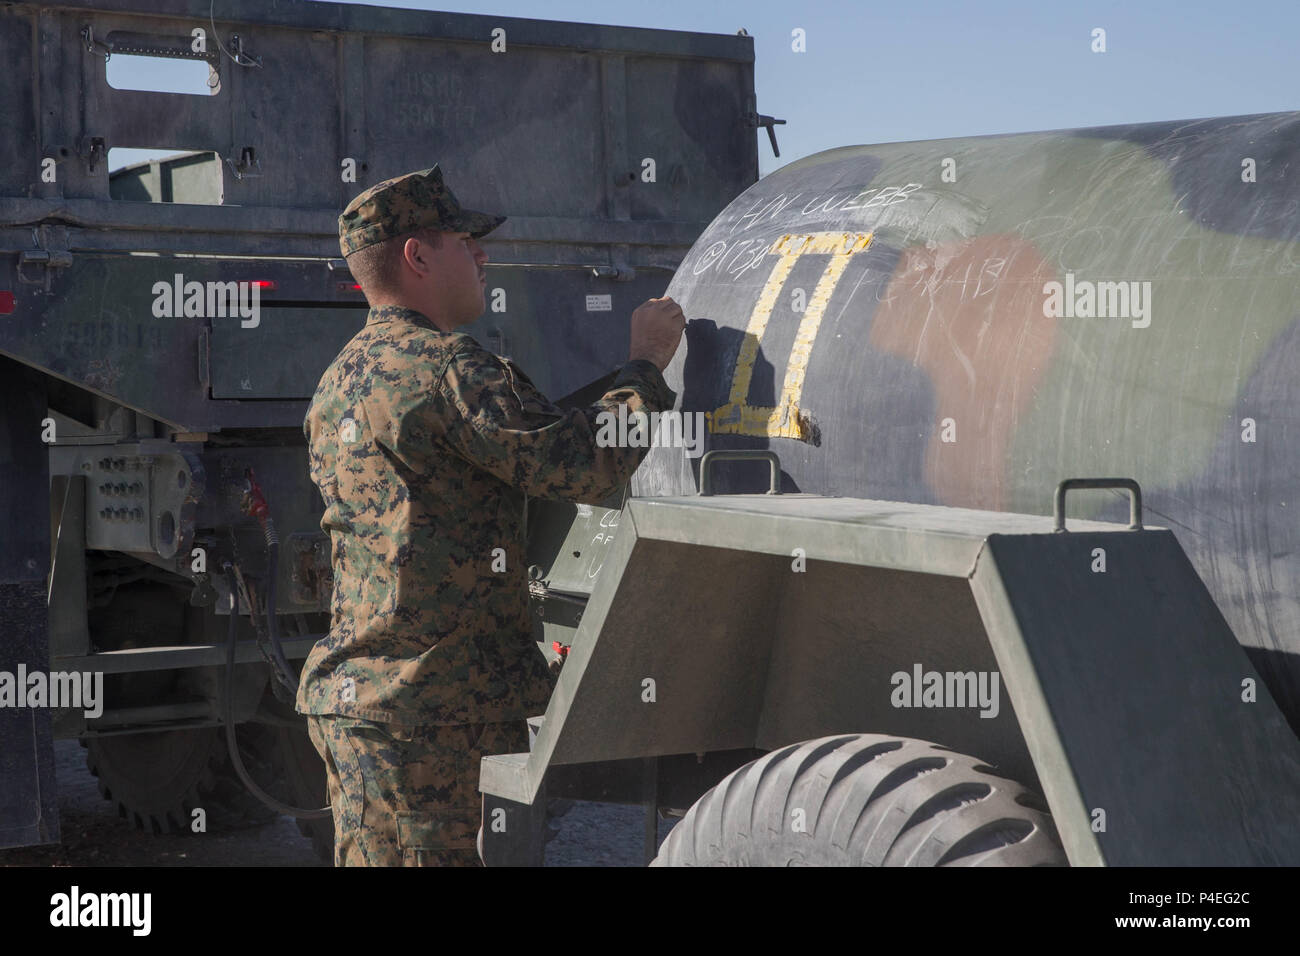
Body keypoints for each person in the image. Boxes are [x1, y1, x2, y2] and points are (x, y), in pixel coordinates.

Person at [297, 165, 684, 866]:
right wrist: (646, 365)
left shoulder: (341, 378)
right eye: (464, 242)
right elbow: (586, 464)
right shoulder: (449, 369)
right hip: (436, 720)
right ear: (416, 256)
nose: (484, 256)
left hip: (362, 707)